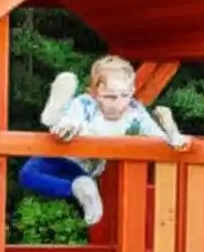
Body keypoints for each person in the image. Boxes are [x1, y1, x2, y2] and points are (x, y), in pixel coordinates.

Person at [19, 55, 189, 225]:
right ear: (94, 93)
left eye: (125, 95)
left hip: (82, 167)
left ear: (132, 90)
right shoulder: (86, 103)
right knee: (28, 174)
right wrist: (67, 126)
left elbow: (159, 139)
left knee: (74, 182)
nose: (118, 103)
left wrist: (172, 132)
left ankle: (77, 185)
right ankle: (55, 115)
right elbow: (74, 119)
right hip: (60, 151)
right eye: (110, 97)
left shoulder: (135, 112)